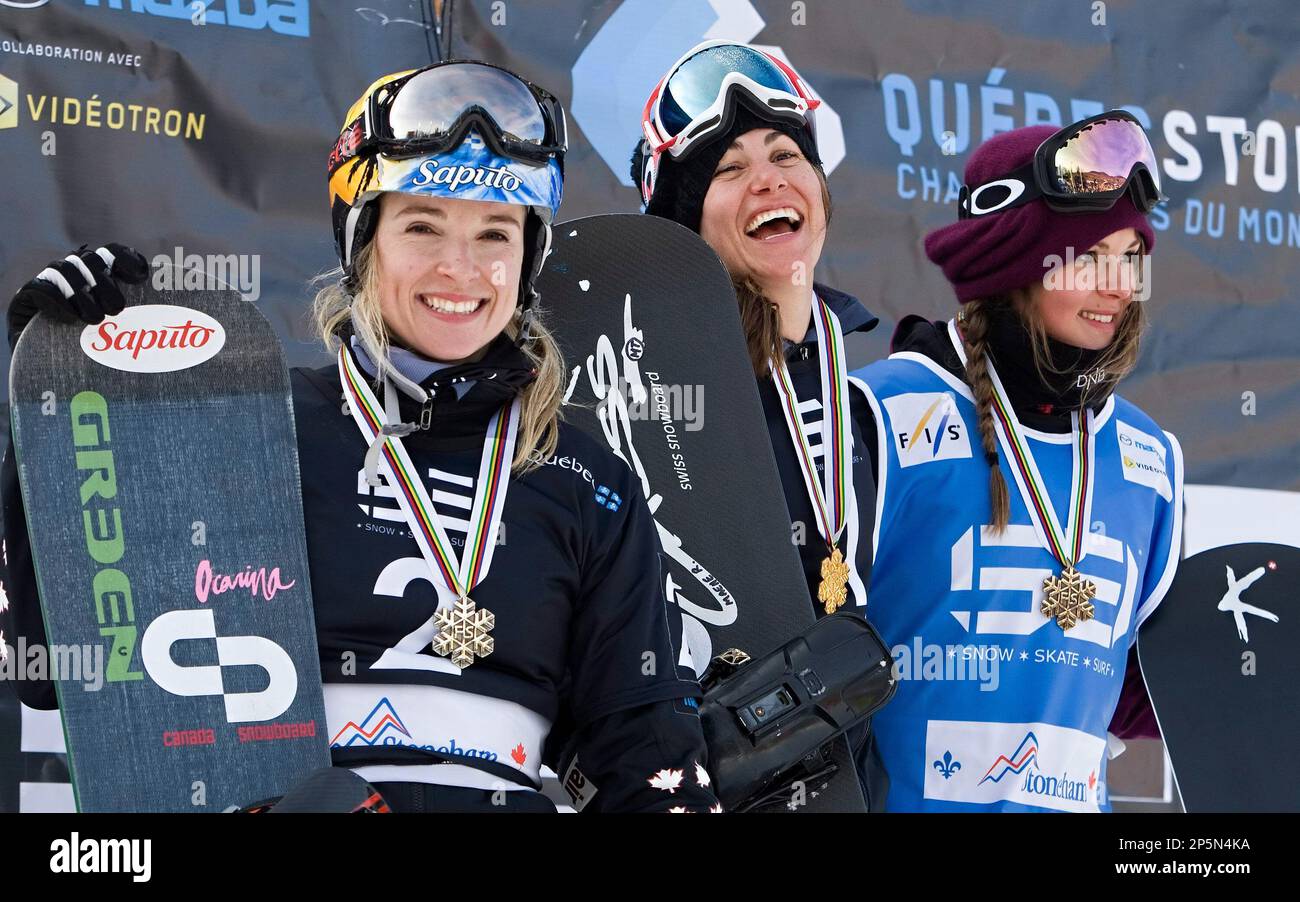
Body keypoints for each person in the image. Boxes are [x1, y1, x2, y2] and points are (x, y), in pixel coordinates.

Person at [0, 61, 719, 813]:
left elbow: (643, 753)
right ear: (363, 242)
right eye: (422, 225)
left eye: (495, 233)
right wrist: (56, 416)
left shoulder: (583, 476)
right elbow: (58, 670)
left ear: (529, 257)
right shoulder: (251, 423)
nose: (460, 267)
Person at [854, 114, 1181, 811]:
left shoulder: (1148, 460)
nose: (1120, 286)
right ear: (1016, 259)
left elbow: (1125, 693)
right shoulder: (880, 413)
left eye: (1131, 257)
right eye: (1091, 256)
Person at [635, 40, 888, 807]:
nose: (769, 178)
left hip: (847, 780)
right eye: (729, 169)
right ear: (686, 221)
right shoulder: (644, 395)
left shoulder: (867, 408)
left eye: (786, 155)